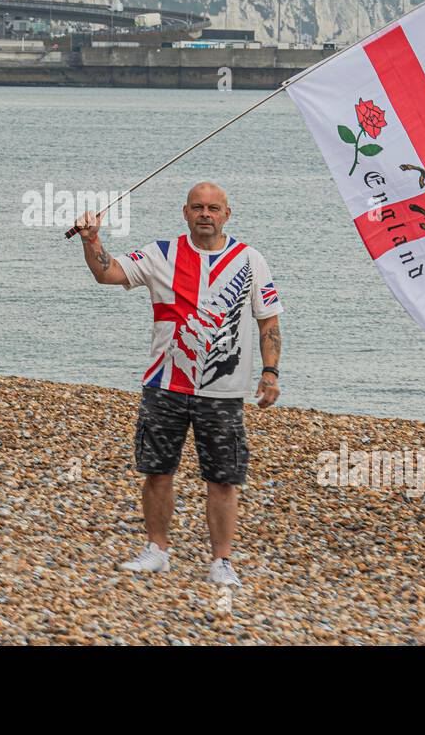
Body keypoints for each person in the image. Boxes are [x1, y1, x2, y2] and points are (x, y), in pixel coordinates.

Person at [76, 182, 283, 587]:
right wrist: (92, 239)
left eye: (213, 208)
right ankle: (157, 550)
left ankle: (221, 561)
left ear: (227, 213)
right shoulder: (160, 255)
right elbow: (108, 272)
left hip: (223, 392)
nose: (206, 214)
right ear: (185, 212)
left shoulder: (250, 260)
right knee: (157, 471)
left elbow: (269, 321)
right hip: (165, 385)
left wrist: (271, 372)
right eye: (197, 207)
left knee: (224, 478)